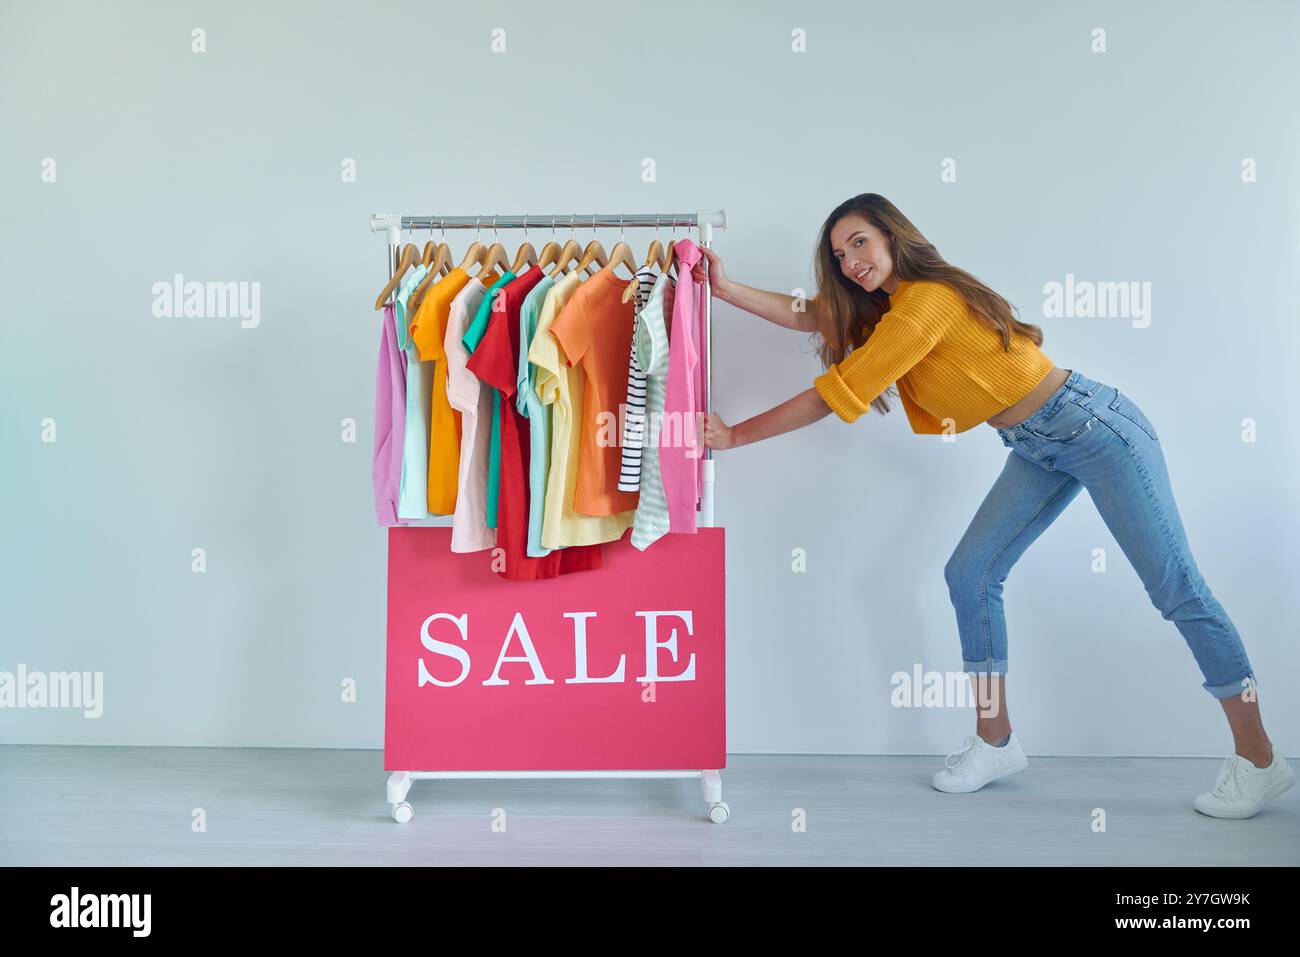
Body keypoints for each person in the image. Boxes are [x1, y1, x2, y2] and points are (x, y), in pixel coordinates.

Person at [693, 192, 1293, 819]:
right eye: (840, 254)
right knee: (971, 573)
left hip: (1097, 431)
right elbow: (817, 314)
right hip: (1038, 444)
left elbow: (829, 397)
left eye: (859, 243)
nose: (850, 262)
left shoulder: (923, 305)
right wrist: (727, 289)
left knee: (1176, 588)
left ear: (893, 235)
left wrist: (735, 435)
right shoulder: (896, 306)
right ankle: (995, 739)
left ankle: (1258, 760)